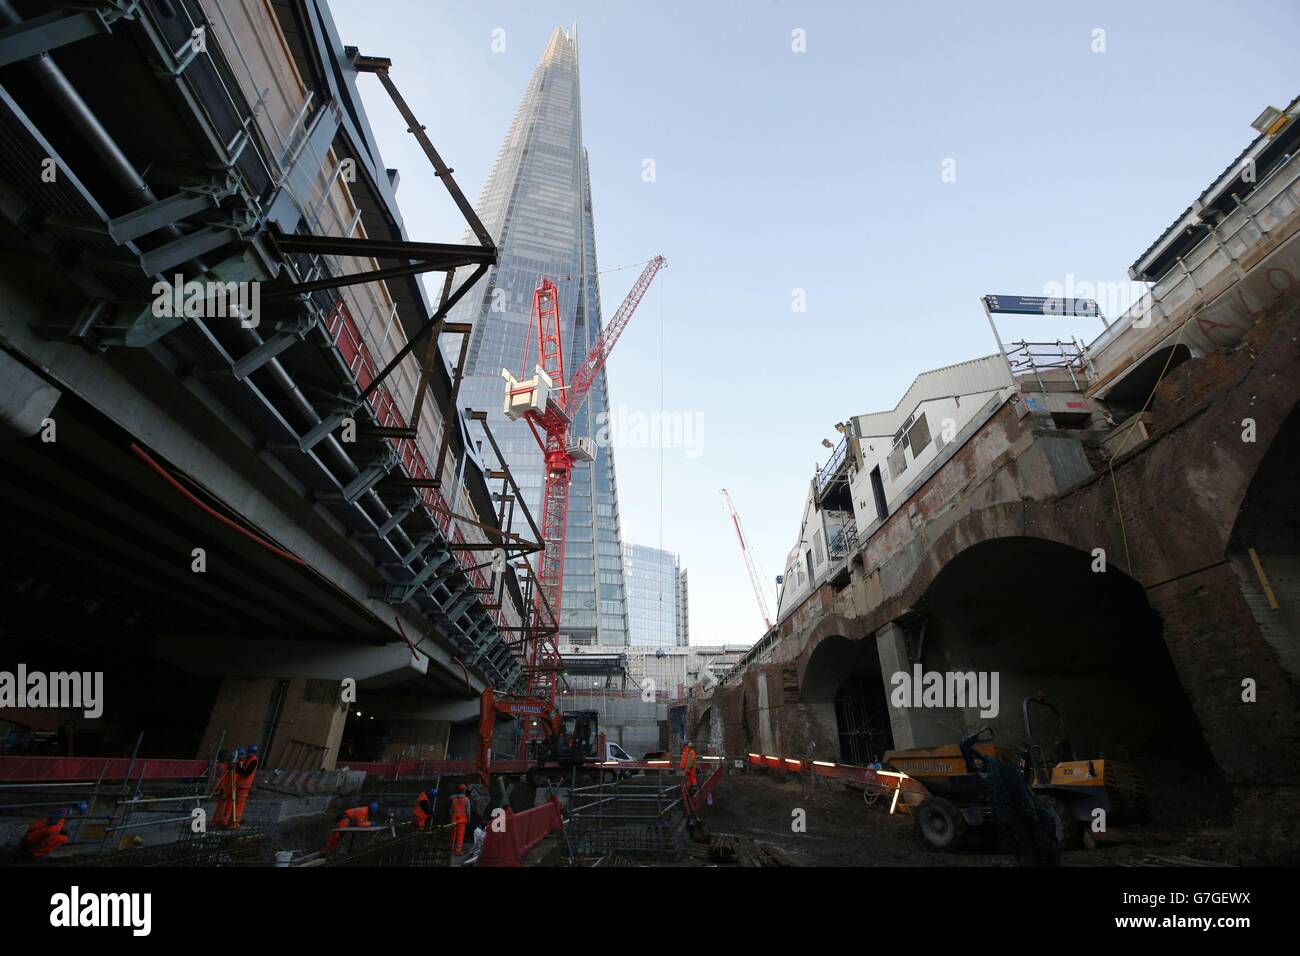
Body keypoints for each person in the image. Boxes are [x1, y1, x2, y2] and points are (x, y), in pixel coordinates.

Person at [21, 802, 87, 860]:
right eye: (78, 813)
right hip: (31, 836)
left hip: (38, 839)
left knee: (64, 838)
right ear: (76, 809)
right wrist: (61, 830)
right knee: (56, 828)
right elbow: (53, 821)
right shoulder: (63, 811)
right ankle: (31, 850)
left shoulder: (65, 819)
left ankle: (36, 854)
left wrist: (63, 832)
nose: (76, 816)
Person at [212, 749, 242, 828]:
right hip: (226, 787)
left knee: (229, 805)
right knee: (222, 804)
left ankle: (224, 820)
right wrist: (220, 787)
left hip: (232, 787)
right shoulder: (227, 765)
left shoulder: (238, 765)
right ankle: (217, 820)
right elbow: (223, 776)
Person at [232, 744, 259, 828]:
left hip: (245, 785)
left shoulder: (253, 760)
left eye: (249, 752)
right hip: (240, 784)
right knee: (235, 803)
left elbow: (247, 772)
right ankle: (233, 820)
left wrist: (239, 770)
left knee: (239, 804)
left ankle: (236, 821)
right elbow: (242, 769)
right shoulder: (249, 759)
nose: (247, 754)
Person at [448, 784, 471, 854]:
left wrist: (451, 819)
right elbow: (468, 811)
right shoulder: (466, 800)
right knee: (460, 835)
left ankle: (451, 849)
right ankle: (458, 850)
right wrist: (469, 820)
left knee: (453, 835)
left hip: (454, 820)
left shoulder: (454, 800)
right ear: (464, 791)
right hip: (462, 820)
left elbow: (450, 811)